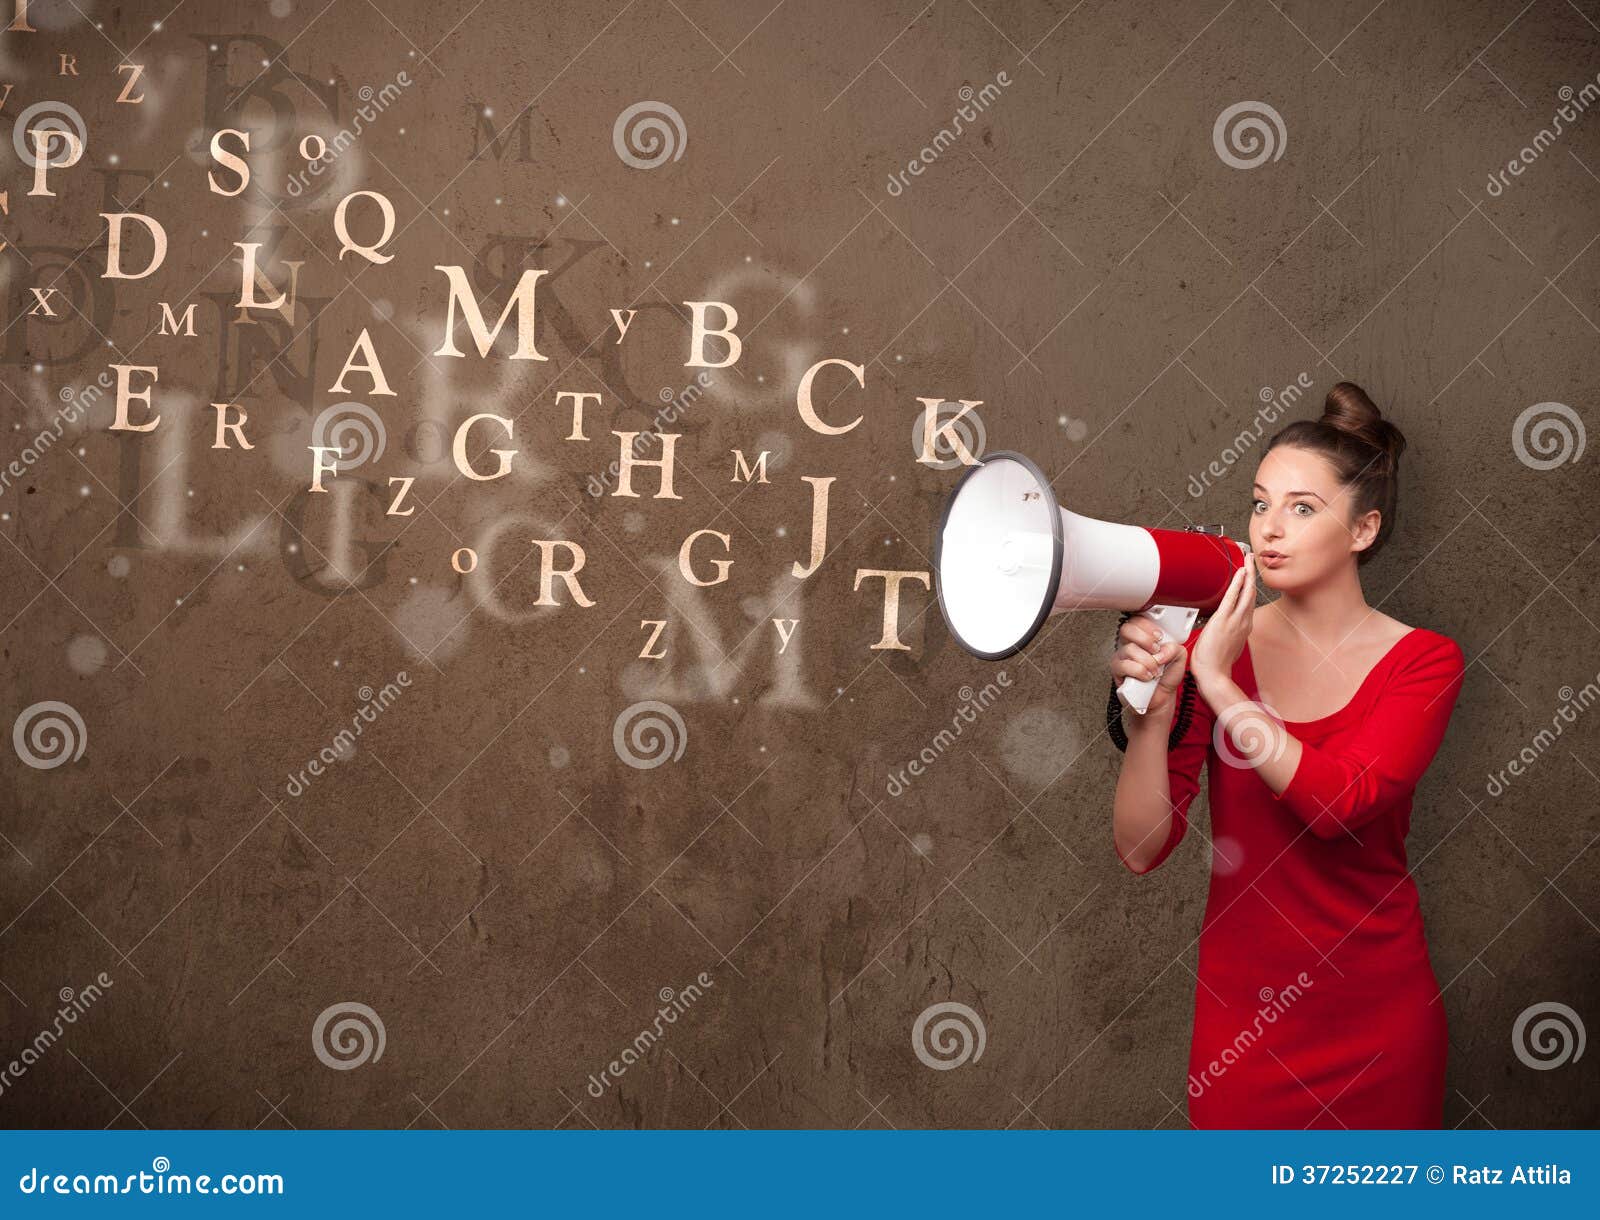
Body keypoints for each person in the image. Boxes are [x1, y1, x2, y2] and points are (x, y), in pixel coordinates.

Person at [1108, 381, 1466, 1129]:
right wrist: (1157, 712)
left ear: (1363, 529)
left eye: (1303, 508)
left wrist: (1218, 682)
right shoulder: (1214, 652)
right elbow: (1141, 847)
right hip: (1243, 1038)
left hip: (1378, 1031)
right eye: (1260, 502)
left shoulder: (1424, 662)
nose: (1269, 529)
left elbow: (1339, 805)